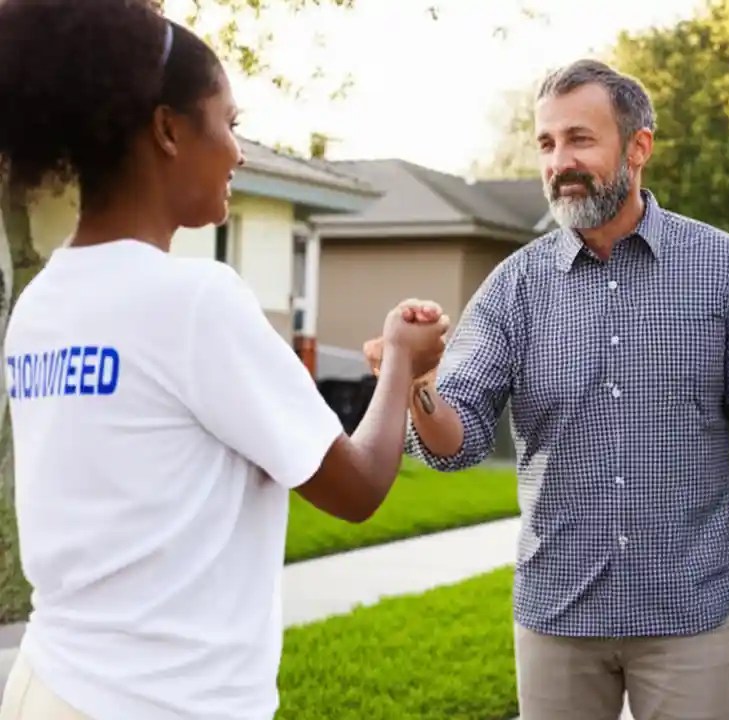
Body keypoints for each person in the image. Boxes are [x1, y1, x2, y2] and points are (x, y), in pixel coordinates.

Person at [0, 2, 448, 718]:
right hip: (164, 702)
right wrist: (399, 357)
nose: (239, 152)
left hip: (46, 686)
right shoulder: (196, 302)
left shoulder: (41, 303)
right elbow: (357, 488)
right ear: (169, 130)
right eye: (230, 123)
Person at [364, 58, 729, 719]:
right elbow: (451, 444)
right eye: (547, 144)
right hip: (558, 617)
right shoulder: (515, 287)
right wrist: (418, 384)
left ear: (639, 147)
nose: (559, 162)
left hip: (687, 614)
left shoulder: (723, 270)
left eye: (580, 139)